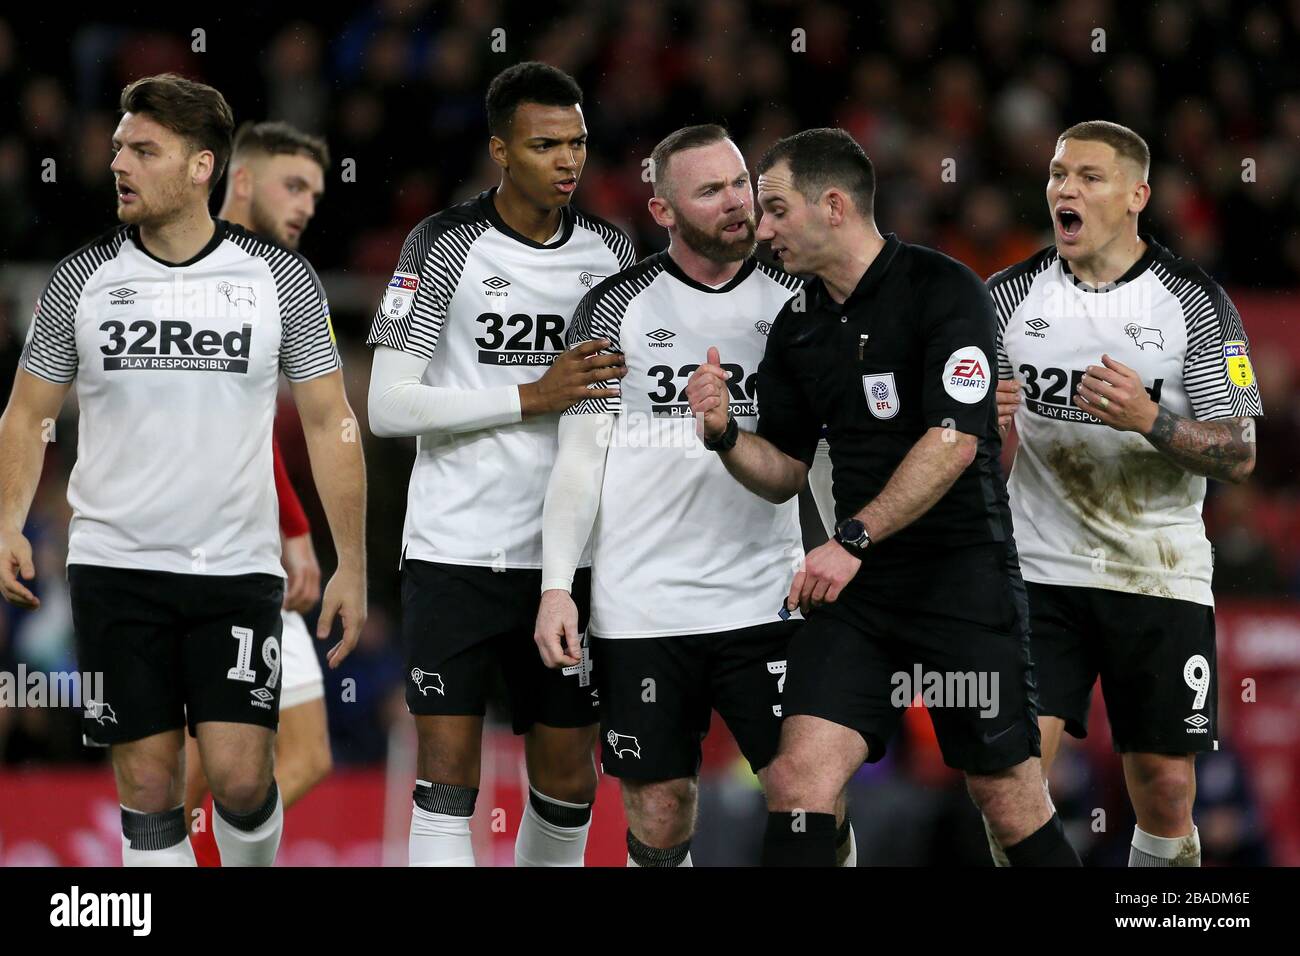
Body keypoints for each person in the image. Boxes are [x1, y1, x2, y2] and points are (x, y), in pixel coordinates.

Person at [0, 73, 367, 866]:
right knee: (151, 783)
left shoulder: (280, 280)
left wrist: (351, 561)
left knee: (240, 777)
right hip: (114, 569)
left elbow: (330, 419)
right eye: (118, 147)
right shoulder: (81, 278)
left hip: (235, 568)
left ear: (202, 167)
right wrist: (6, 522)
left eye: (143, 149)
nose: (120, 163)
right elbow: (25, 414)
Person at [686, 128, 1079, 866]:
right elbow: (786, 470)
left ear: (832, 206)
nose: (761, 229)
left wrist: (853, 538)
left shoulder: (943, 288)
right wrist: (726, 436)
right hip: (862, 599)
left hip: (961, 583)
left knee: (1006, 798)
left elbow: (955, 441)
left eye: (775, 209)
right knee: (799, 780)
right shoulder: (799, 326)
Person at [535, 124, 855, 866]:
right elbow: (579, 462)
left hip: (769, 598)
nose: (736, 204)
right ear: (663, 211)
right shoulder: (615, 308)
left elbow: (835, 453)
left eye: (740, 183)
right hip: (643, 605)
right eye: (709, 192)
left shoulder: (802, 300)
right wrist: (558, 588)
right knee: (660, 806)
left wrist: (844, 551)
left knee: (807, 791)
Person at [366, 61, 635, 867]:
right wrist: (531, 395)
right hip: (456, 547)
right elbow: (387, 407)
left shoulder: (611, 250)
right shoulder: (444, 245)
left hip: (570, 557)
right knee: (447, 781)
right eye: (545, 143)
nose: (567, 160)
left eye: (578, 142)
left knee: (568, 782)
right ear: (500, 151)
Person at [990, 120, 1261, 867]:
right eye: (1056, 174)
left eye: (1088, 176)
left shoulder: (1194, 303)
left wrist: (1150, 419)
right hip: (1038, 572)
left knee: (1166, 788)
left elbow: (1239, 453)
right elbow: (943, 419)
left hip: (1157, 571)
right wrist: (977, 420)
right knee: (1011, 781)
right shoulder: (1007, 298)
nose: (1064, 189)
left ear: (1138, 195)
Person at [184, 121, 336, 864]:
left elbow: (251, 428)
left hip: (255, 542)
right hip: (192, 549)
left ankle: (201, 856)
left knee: (305, 756)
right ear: (240, 181)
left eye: (316, 191)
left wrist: (292, 526)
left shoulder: (277, 278)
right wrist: (298, 527)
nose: (308, 204)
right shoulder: (191, 268)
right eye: (294, 185)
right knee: (189, 767)